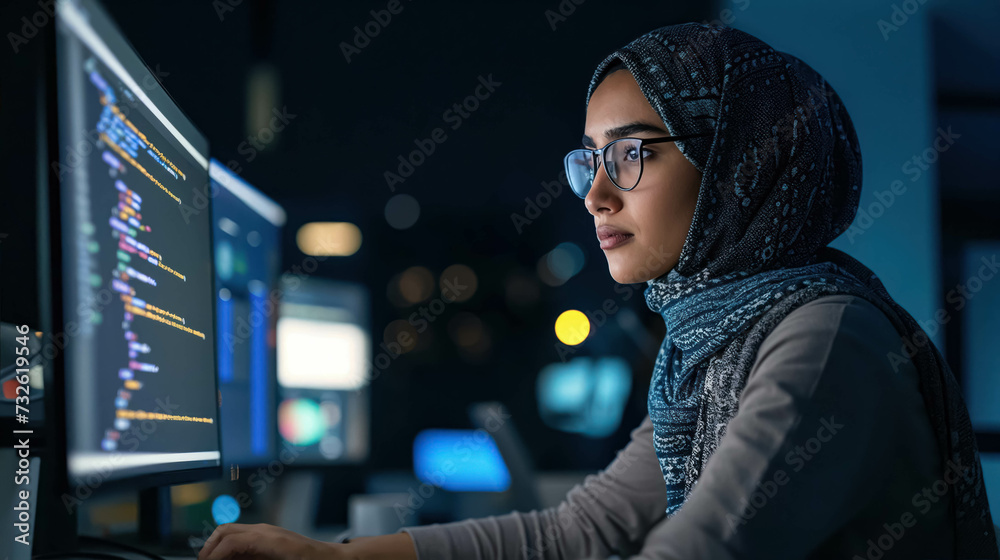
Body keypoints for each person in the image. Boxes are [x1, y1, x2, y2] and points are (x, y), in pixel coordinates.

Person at [197, 22, 1000, 560]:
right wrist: (330, 558)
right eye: (589, 158)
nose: (595, 195)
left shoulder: (824, 338)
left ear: (737, 163)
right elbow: (588, 528)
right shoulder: (713, 345)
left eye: (631, 154)